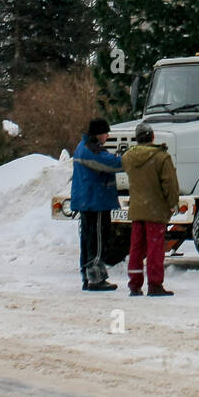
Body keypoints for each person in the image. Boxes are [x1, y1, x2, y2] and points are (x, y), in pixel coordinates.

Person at [122, 122, 180, 297]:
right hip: (155, 210)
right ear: (152, 137)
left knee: (136, 248)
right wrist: (172, 204)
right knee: (155, 249)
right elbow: (170, 184)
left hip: (137, 209)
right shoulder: (162, 158)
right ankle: (154, 285)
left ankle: (134, 284)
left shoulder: (128, 157)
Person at [70, 118, 124, 292]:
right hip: (96, 201)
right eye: (106, 133)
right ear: (99, 133)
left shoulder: (82, 146)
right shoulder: (91, 149)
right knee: (98, 239)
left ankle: (87, 276)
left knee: (88, 240)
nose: (107, 136)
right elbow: (109, 163)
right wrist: (126, 159)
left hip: (87, 200)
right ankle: (96, 278)